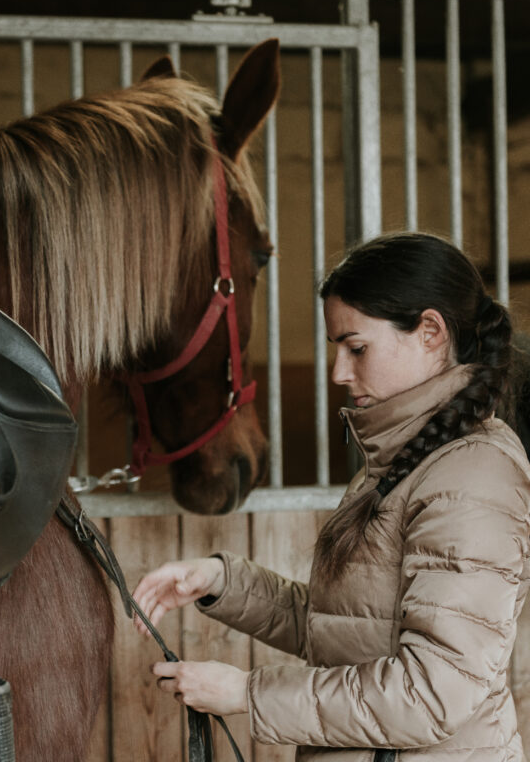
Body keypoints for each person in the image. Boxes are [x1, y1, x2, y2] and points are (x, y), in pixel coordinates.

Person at [132, 232, 530, 761]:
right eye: (337, 350)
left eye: (357, 348)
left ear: (430, 331)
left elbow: (434, 693)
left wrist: (247, 693)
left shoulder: (473, 476)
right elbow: (347, 631)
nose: (340, 373)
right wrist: (221, 581)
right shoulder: (402, 461)